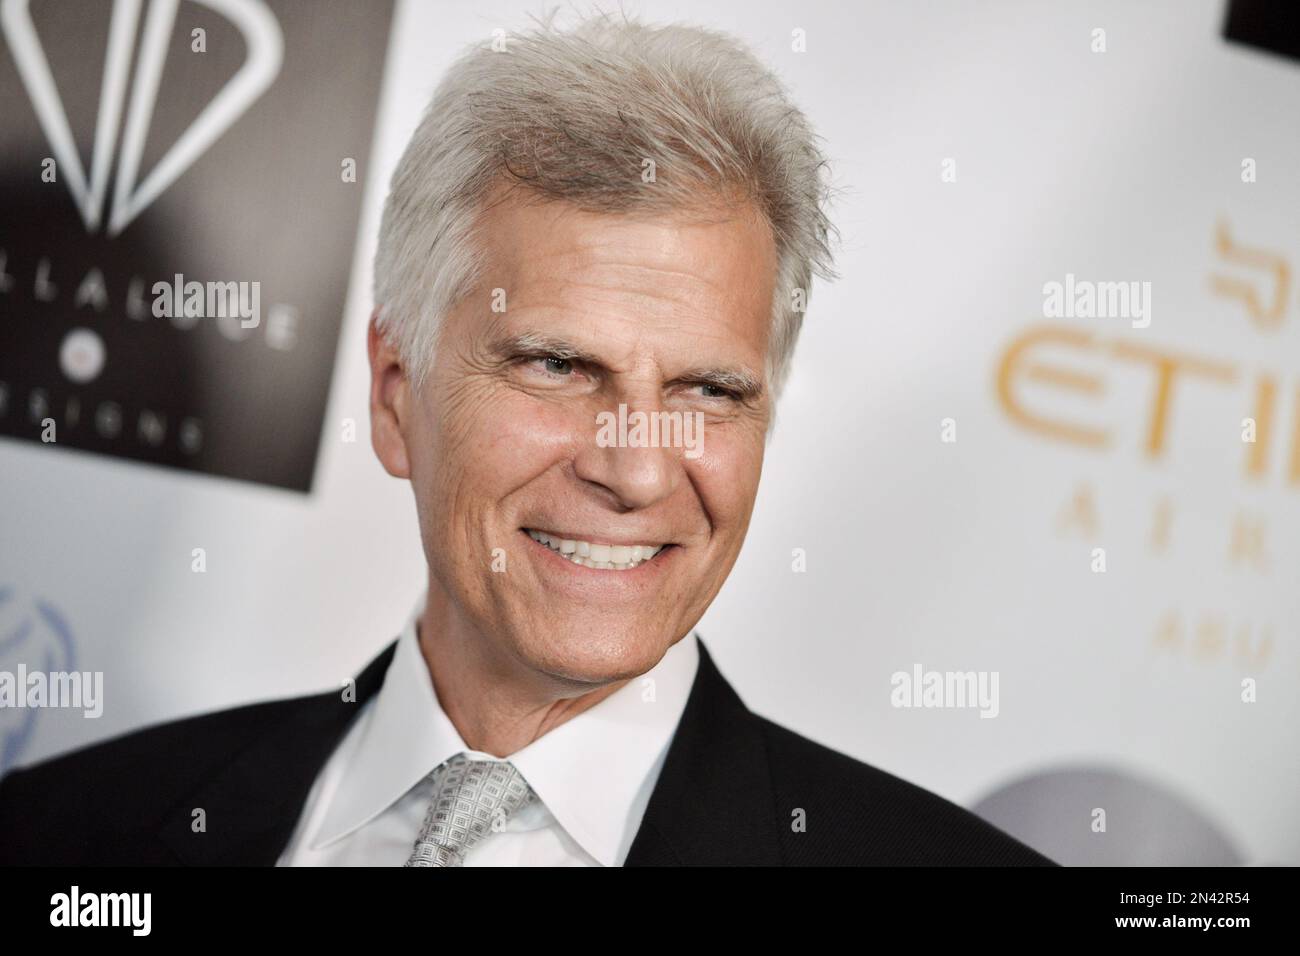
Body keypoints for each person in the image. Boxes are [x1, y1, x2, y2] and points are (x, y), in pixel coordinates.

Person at [0, 14, 1053, 867]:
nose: (637, 467)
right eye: (556, 365)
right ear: (394, 391)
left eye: (709, 387)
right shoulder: (70, 833)